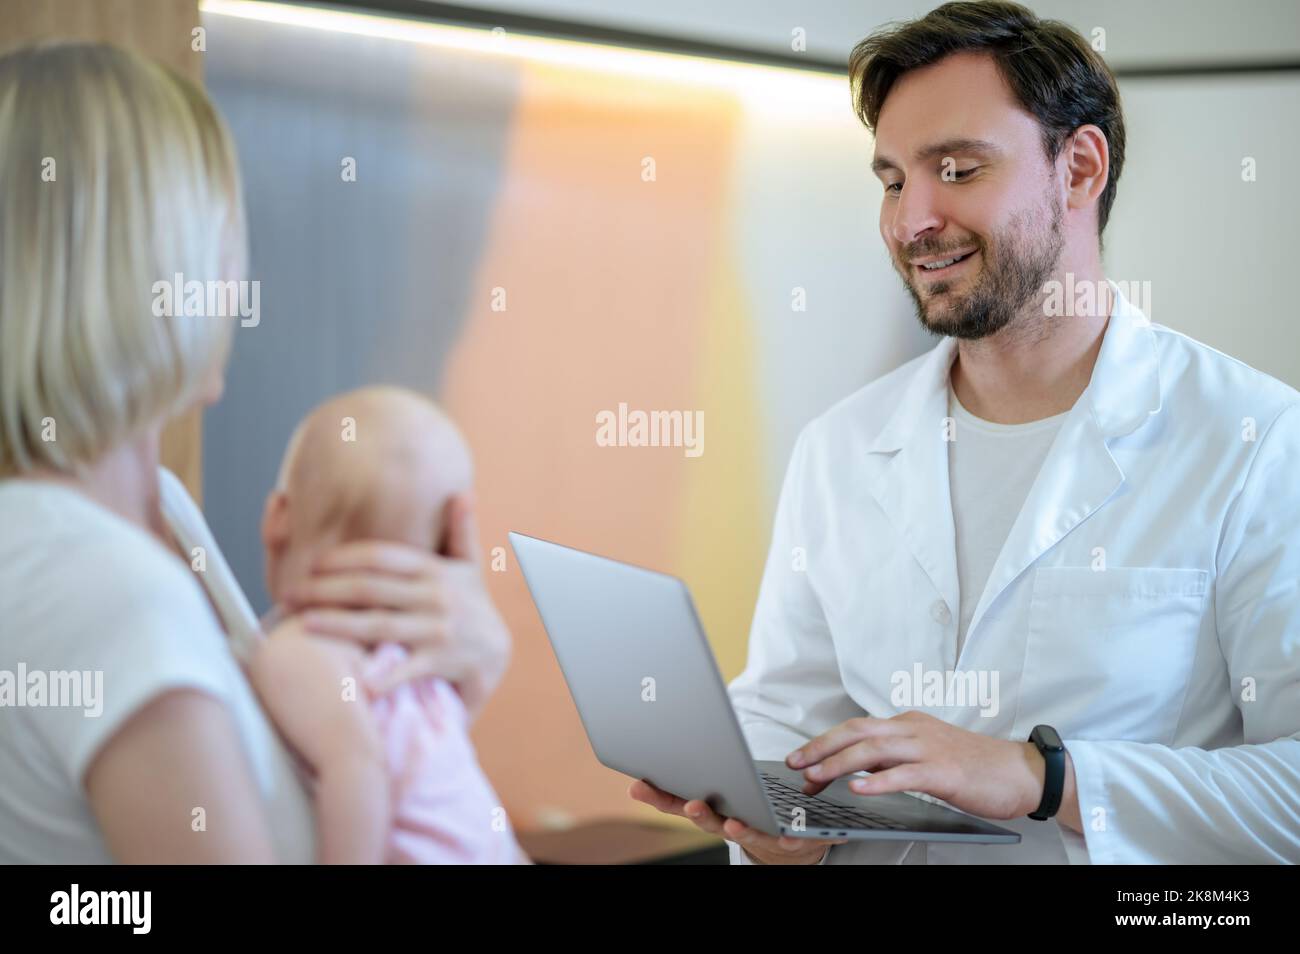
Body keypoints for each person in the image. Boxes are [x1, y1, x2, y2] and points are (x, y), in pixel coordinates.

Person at [633, 0, 1300, 864]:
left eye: (956, 169)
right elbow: (785, 713)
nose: (911, 220)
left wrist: (1042, 778)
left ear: (1080, 170)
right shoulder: (838, 448)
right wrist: (773, 830)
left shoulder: (1255, 440)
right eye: (893, 180)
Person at [0, 42, 510, 863]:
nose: (238, 282)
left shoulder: (156, 509)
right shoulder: (98, 583)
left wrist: (444, 688)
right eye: (226, 242)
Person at [251, 386, 525, 863]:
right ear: (448, 551)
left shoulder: (299, 647)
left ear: (278, 518)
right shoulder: (432, 674)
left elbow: (359, 771)